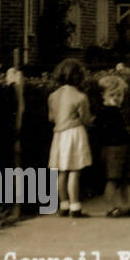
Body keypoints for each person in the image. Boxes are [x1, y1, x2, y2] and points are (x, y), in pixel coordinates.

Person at [47, 59, 94, 217]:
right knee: (75, 170)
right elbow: (86, 119)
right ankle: (75, 206)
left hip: (59, 134)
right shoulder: (80, 97)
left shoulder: (53, 96)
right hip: (74, 133)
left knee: (62, 171)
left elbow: (51, 117)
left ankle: (64, 205)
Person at [94, 74, 130, 218]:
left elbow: (125, 129)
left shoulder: (118, 111)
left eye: (119, 95)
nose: (116, 98)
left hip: (123, 148)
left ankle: (126, 205)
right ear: (103, 95)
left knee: (124, 180)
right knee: (112, 179)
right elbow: (106, 130)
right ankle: (110, 207)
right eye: (112, 94)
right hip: (112, 150)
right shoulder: (105, 112)